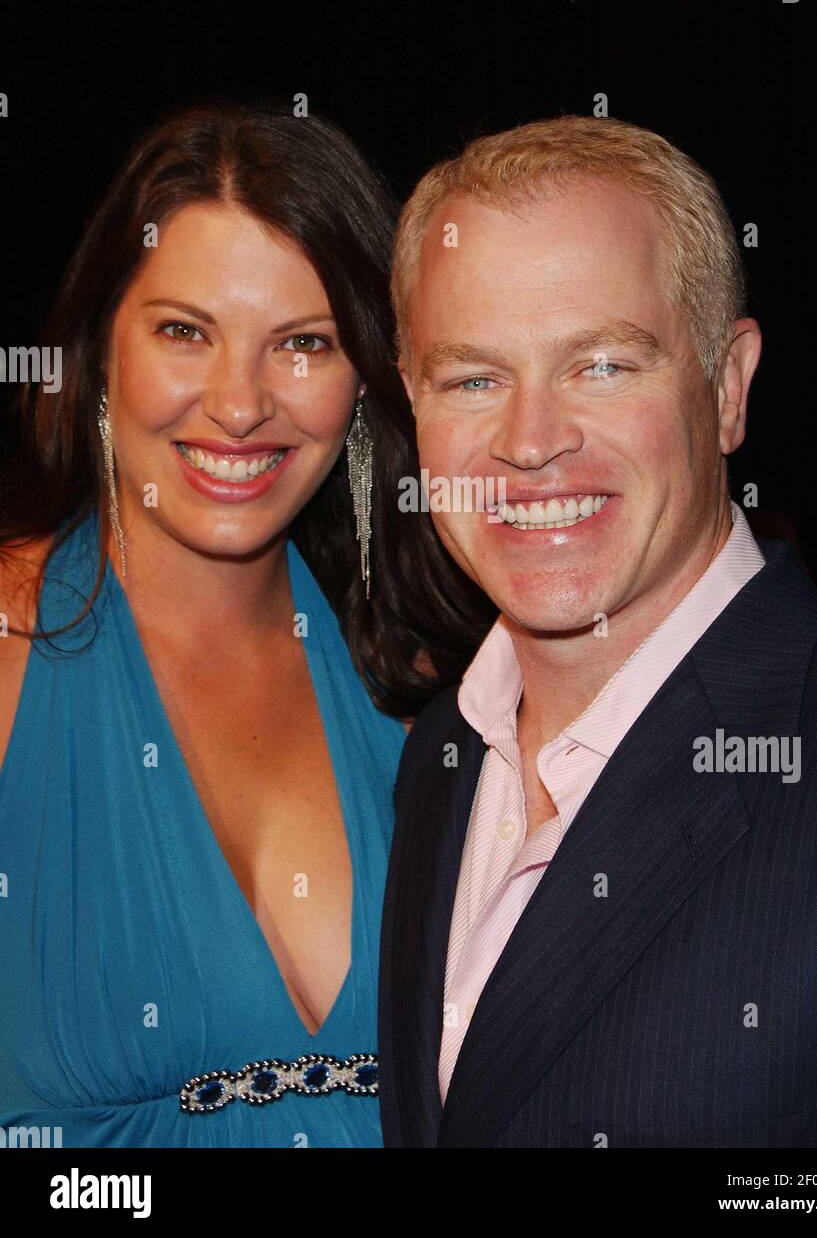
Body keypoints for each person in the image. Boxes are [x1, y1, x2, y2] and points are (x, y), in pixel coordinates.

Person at [377, 115, 817, 1148]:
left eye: (604, 365)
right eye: (473, 378)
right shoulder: (439, 752)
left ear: (728, 386)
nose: (530, 442)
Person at [0, 101, 490, 1147]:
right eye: (185, 331)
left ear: (364, 378)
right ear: (101, 346)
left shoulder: (429, 686)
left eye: (303, 345)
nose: (238, 404)